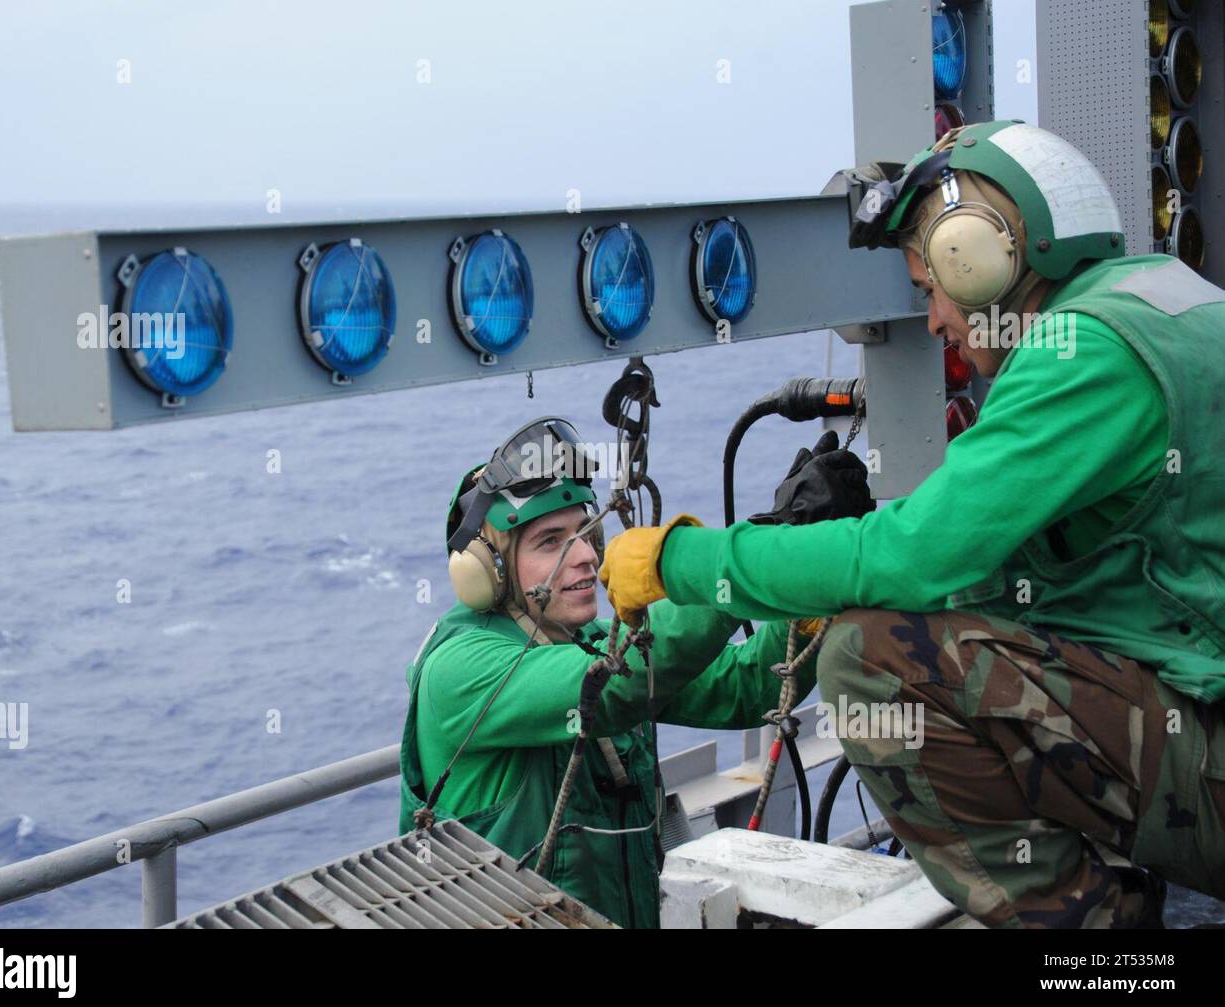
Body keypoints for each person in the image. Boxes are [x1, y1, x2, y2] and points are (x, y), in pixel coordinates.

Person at [599, 120, 1225, 928]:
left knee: (871, 659)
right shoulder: (1161, 297)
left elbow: (915, 559)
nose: (933, 322)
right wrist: (834, 553)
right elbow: (991, 556)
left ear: (984, 256)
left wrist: (680, 558)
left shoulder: (1082, 353)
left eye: (930, 287)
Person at [398, 415, 872, 928]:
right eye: (550, 542)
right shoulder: (461, 668)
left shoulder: (585, 640)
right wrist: (762, 546)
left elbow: (747, 689)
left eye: (584, 532)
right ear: (485, 573)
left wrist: (804, 567)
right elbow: (612, 686)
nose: (584, 555)